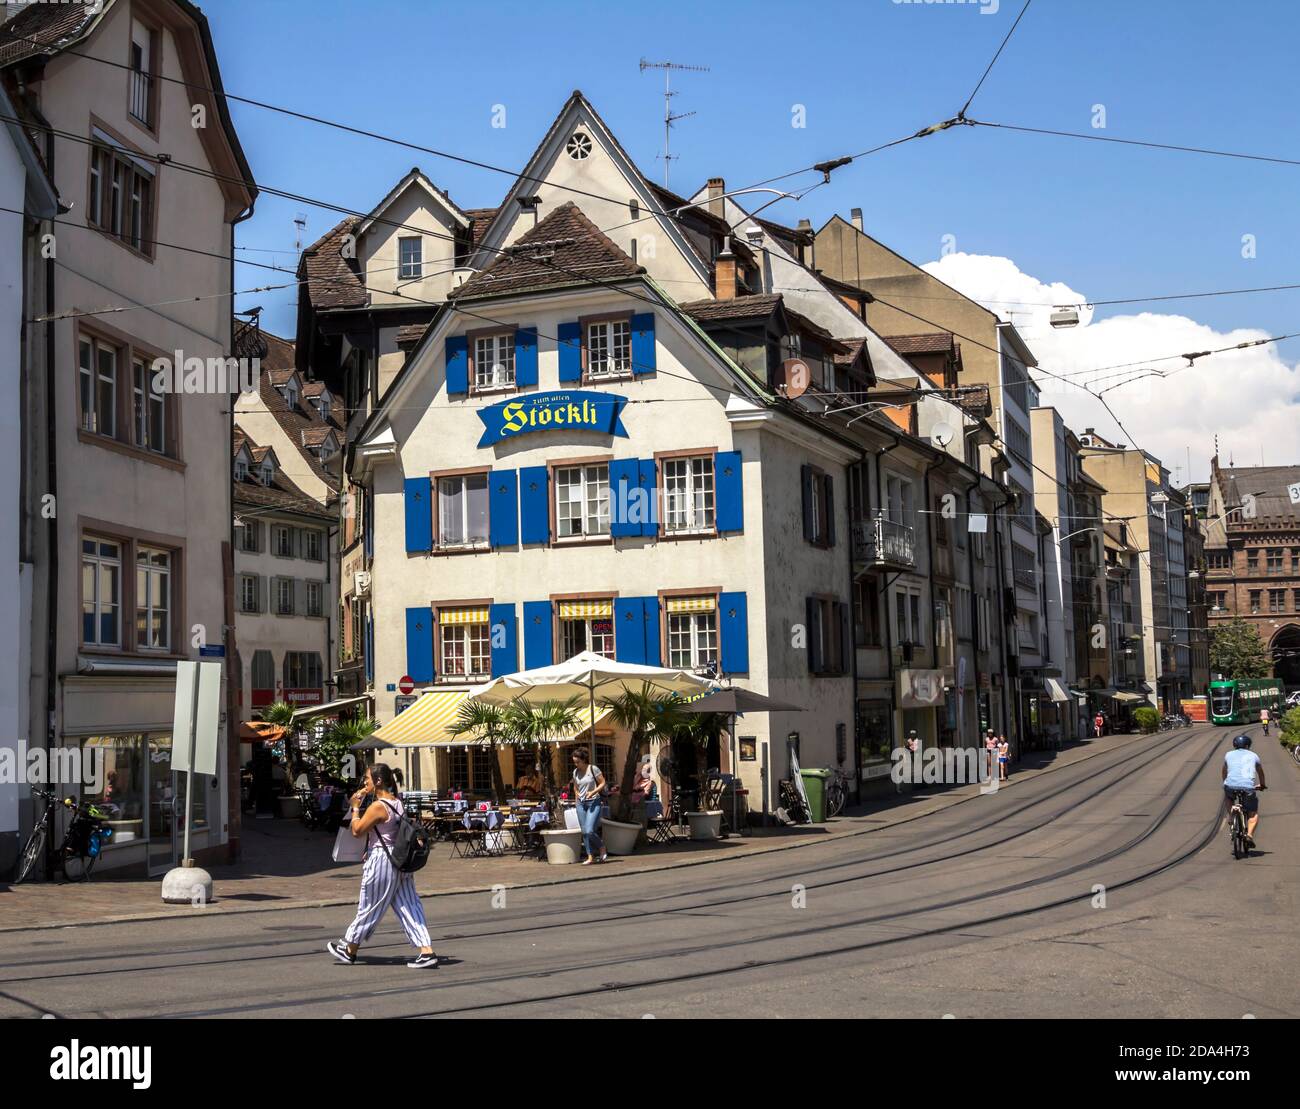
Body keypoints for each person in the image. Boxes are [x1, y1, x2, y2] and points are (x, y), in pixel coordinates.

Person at [327, 763, 437, 969]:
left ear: (378, 781)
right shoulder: (397, 802)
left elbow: (357, 830)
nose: (364, 783)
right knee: (409, 905)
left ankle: (349, 947)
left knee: (370, 905)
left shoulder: (378, 806)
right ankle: (426, 951)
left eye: (367, 779)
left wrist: (355, 807)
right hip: (399, 859)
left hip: (382, 861)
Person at [1222, 734, 1266, 848]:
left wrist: (1225, 782)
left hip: (1230, 785)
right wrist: (1262, 785)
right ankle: (1249, 835)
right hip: (1248, 788)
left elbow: (1224, 770)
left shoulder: (1228, 754)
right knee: (1253, 813)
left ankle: (1231, 817)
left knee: (1228, 797)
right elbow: (1260, 772)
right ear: (1248, 745)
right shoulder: (1254, 756)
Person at [571, 747, 606, 865]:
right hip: (581, 803)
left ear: (584, 760)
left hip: (594, 801)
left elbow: (603, 782)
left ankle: (601, 847)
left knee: (590, 830)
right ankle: (590, 856)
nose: (576, 764)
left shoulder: (593, 769)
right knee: (584, 831)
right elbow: (575, 786)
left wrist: (593, 792)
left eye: (578, 762)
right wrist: (577, 799)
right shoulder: (575, 772)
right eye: (574, 762)